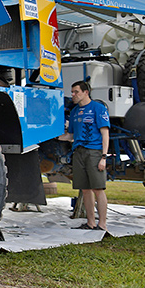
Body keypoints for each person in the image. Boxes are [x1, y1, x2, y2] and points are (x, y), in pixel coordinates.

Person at [59, 80, 110, 231]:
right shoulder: (75, 112)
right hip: (78, 152)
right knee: (85, 189)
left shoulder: (98, 108)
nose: (73, 95)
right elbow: (71, 135)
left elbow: (105, 133)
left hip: (94, 152)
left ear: (86, 92)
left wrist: (104, 157)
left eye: (76, 92)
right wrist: (55, 136)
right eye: (72, 92)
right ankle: (90, 222)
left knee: (98, 188)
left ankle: (102, 224)